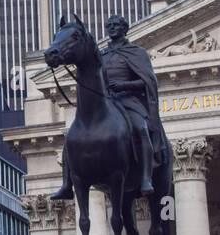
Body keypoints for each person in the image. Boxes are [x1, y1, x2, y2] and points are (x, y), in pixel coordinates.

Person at [52, 15, 164, 198]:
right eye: (109, 25)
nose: (112, 28)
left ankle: (145, 177)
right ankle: (66, 184)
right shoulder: (101, 55)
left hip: (129, 100)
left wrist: (123, 86)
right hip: (107, 100)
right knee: (72, 138)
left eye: (116, 25)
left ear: (125, 29)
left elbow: (147, 81)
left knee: (141, 128)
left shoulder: (137, 52)